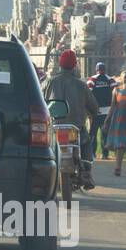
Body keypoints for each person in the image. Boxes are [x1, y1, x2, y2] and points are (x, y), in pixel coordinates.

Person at [42, 49, 98, 190]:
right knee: (86, 143)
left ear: (60, 65)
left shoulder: (49, 83)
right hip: (76, 127)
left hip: (54, 126)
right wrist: (92, 112)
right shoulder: (81, 85)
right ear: (74, 66)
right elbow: (94, 107)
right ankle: (86, 172)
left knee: (43, 147)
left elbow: (40, 101)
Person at [86, 62, 117, 159]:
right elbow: (116, 93)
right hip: (107, 112)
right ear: (105, 69)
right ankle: (105, 154)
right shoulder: (110, 80)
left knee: (92, 133)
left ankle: (92, 154)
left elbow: (89, 94)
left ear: (96, 69)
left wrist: (88, 110)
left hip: (95, 111)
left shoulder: (92, 79)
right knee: (105, 133)